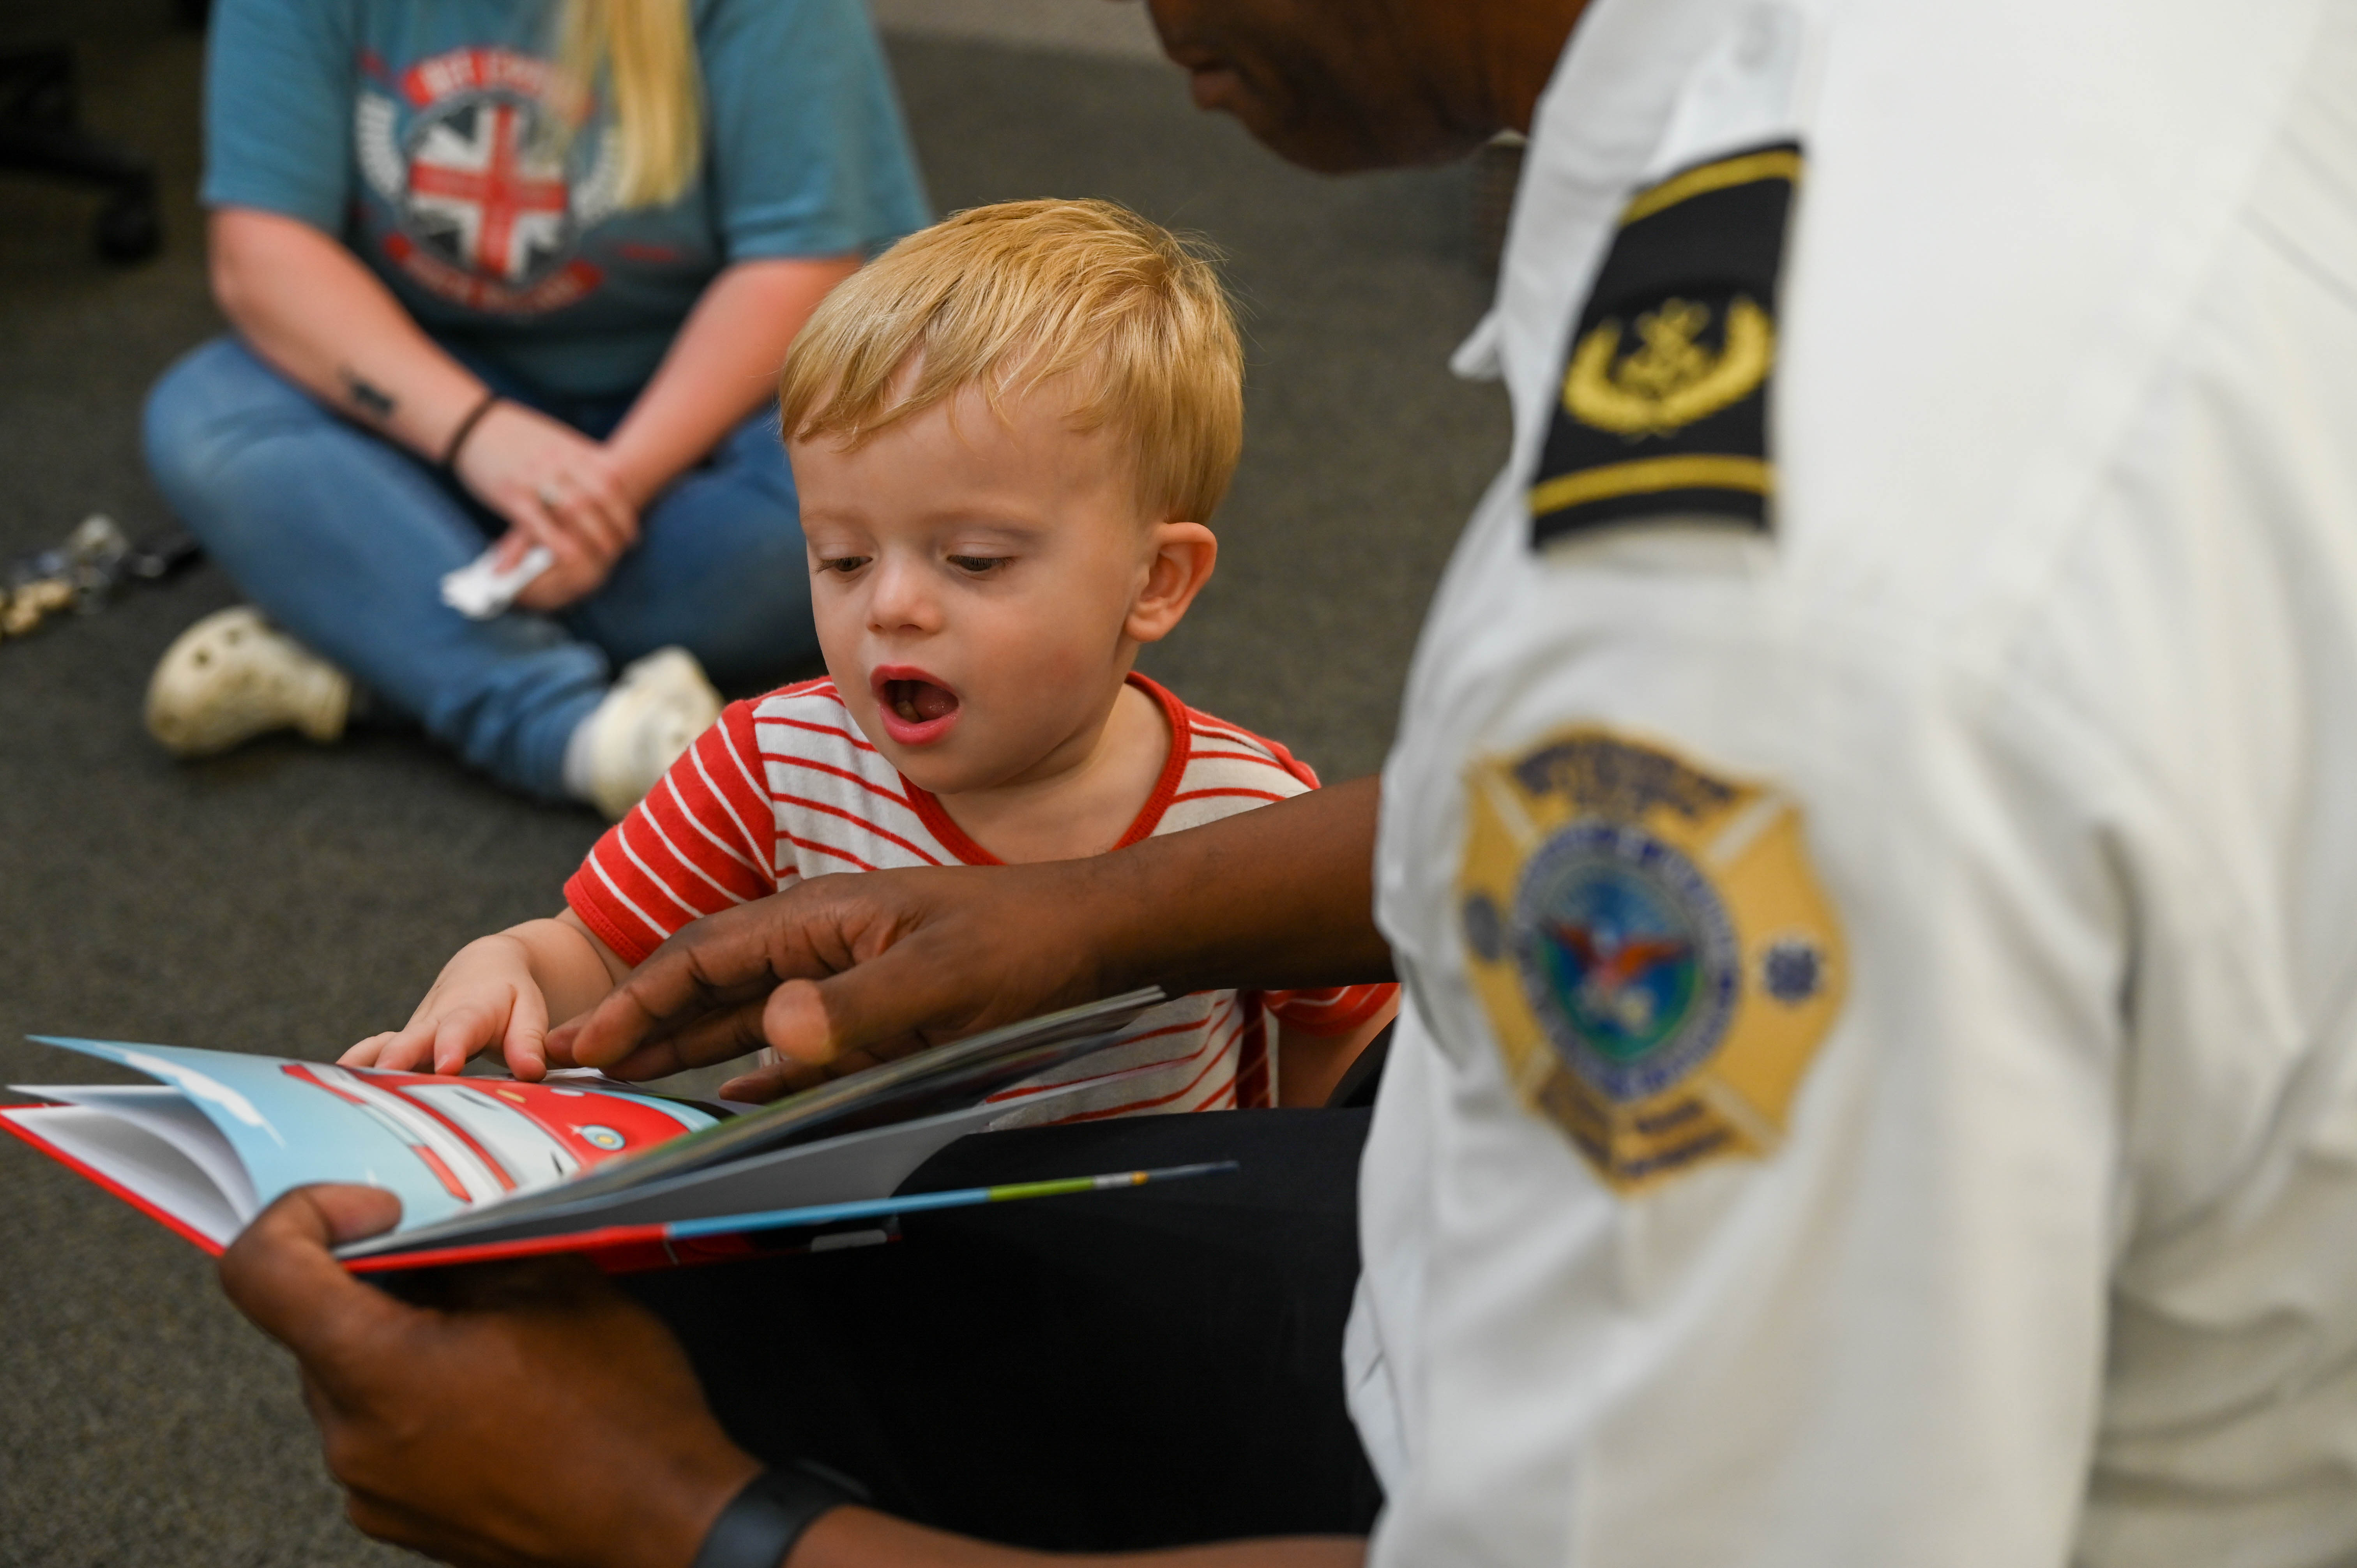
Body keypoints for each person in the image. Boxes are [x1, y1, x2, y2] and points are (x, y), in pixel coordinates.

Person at [216, 0, 2357, 1562]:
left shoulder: (1767, 606)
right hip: (1655, 1280)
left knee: (683, 1367)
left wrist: (683, 1519)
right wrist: (1094, 916)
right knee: (820, 1244)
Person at [340, 198, 1397, 1114]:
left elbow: (1339, 1041)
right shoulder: (770, 764)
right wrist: (504, 968)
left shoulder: (1251, 815)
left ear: (1156, 582)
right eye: (841, 559)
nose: (891, 606)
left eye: (974, 562)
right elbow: (594, 957)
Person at [140, 0, 929, 816]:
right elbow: (264, 256)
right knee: (207, 416)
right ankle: (562, 730)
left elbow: (797, 267)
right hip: (441, 399)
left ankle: (378, 625)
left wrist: (608, 489)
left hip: (720, 409)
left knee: (887, 491)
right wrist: (480, 436)